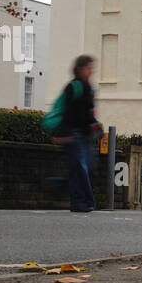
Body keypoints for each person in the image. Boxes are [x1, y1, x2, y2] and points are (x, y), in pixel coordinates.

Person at [52, 55, 100, 213]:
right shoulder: (74, 86)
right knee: (80, 168)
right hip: (74, 133)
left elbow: (89, 112)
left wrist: (96, 128)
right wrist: (62, 134)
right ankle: (81, 202)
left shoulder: (88, 87)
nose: (91, 71)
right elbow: (68, 112)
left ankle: (60, 185)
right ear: (80, 68)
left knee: (86, 167)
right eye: (89, 68)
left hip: (84, 135)